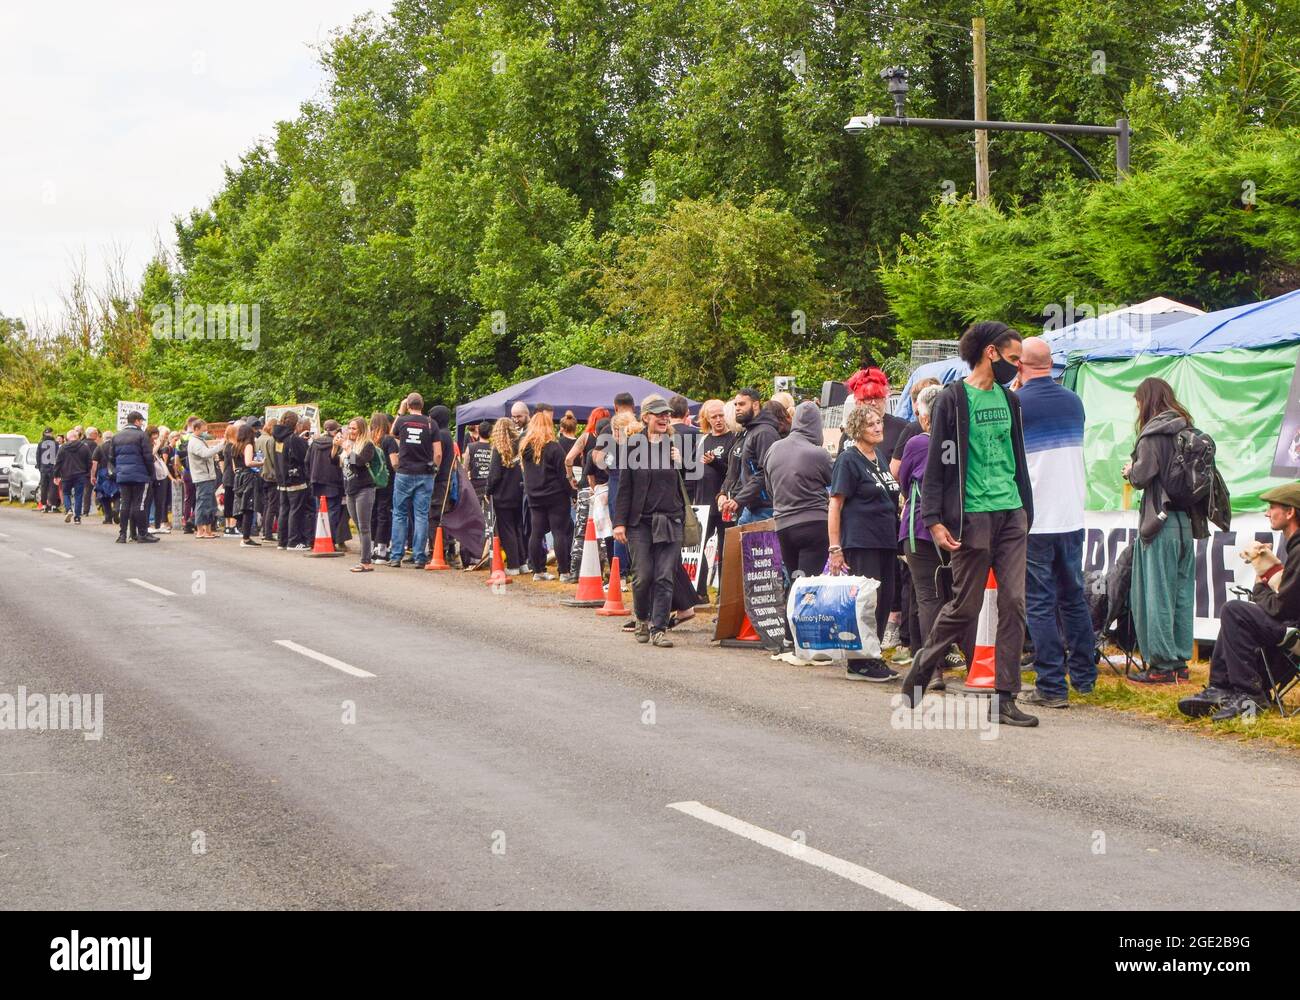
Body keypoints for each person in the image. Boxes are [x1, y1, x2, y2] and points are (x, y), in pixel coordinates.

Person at [899, 320, 1039, 728]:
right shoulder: (952, 400)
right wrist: (934, 518)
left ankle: (1005, 697)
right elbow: (939, 464)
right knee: (965, 606)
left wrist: (1025, 509)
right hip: (972, 515)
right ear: (991, 353)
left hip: (1011, 512)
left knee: (1014, 601)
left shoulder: (1011, 401)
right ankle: (924, 667)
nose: (1019, 367)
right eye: (1014, 359)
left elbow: (1018, 455)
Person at [1016, 336, 1096, 707]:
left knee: (1040, 603)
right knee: (1073, 598)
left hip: (1037, 519)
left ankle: (1051, 683)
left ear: (1020, 365)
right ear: (1051, 364)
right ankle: (1084, 677)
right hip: (1071, 514)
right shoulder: (1074, 401)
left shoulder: (1017, 404)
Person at [1180, 484, 1300, 720]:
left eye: (1272, 507)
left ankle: (1249, 695)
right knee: (1235, 614)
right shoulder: (1294, 547)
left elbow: (1280, 608)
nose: (1267, 513)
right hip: (1291, 626)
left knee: (1235, 611)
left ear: (1290, 513)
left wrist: (1259, 585)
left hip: (1294, 631)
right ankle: (1221, 688)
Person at [1122, 377, 1197, 684]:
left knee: (1156, 594)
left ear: (1147, 401)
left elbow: (1141, 477)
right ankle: (1179, 661)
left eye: (1139, 401)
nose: (1138, 407)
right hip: (1185, 523)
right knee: (1180, 593)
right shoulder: (1187, 428)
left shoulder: (1152, 434)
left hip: (1159, 522)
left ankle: (1161, 666)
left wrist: (1130, 470)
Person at [895, 384, 966, 689]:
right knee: (960, 597)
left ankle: (931, 670)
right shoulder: (963, 441)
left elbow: (901, 480)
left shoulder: (916, 444)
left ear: (925, 419)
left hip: (920, 529)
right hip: (959, 527)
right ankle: (973, 664)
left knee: (929, 598)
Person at [828, 406, 900, 682]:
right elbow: (835, 504)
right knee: (867, 602)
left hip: (885, 540)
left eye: (879, 422)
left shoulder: (879, 456)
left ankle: (873, 654)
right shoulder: (848, 459)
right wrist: (835, 548)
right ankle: (860, 661)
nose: (878, 427)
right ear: (858, 429)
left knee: (884, 599)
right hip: (861, 540)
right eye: (871, 424)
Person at [614, 395, 686, 647]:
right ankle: (642, 619)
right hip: (640, 523)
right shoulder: (633, 446)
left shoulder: (675, 444)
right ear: (646, 417)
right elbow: (624, 488)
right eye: (659, 414)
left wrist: (682, 463)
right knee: (643, 575)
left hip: (671, 519)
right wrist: (619, 523)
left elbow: (690, 481)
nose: (665, 418)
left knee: (665, 576)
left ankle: (659, 629)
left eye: (667, 414)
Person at [765, 400, 831, 585]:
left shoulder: (773, 449)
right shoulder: (818, 453)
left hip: (783, 525)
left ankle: (791, 613)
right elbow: (838, 486)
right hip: (814, 523)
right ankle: (800, 614)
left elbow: (770, 488)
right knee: (809, 586)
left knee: (796, 581)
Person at [519, 411, 575, 581]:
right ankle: (564, 571)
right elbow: (563, 475)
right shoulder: (554, 448)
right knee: (560, 532)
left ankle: (538, 571)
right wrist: (572, 492)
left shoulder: (525, 448)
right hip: (555, 496)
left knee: (536, 533)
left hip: (534, 496)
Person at [388, 393, 441, 569]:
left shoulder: (402, 421)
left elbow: (391, 433)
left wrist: (401, 410)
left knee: (399, 514)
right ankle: (419, 556)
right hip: (425, 473)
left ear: (408, 405)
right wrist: (434, 468)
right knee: (421, 515)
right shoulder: (430, 423)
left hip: (404, 472)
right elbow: (438, 453)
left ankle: (396, 556)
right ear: (422, 405)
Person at [694, 399, 734, 599]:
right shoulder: (702, 440)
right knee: (696, 546)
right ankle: (700, 591)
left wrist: (716, 463)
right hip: (703, 503)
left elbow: (734, 472)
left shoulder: (733, 438)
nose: (718, 420)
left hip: (726, 503)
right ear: (706, 419)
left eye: (721, 415)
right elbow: (694, 471)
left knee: (725, 549)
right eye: (714, 417)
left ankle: (724, 594)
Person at [722, 388, 779, 525]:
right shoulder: (750, 431)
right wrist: (726, 493)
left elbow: (764, 473)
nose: (737, 408)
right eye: (735, 404)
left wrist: (738, 499)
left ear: (755, 405)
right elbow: (745, 472)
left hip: (766, 507)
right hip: (751, 507)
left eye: (742, 404)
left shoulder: (764, 432)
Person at [485, 417, 525, 573]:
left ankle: (513, 565)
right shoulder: (520, 446)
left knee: (507, 530)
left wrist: (488, 491)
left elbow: (494, 475)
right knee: (519, 529)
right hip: (518, 493)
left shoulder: (499, 449)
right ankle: (523, 563)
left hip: (502, 495)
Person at [110, 411, 156, 543]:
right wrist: (150, 473)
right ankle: (142, 534)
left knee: (125, 504)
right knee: (139, 504)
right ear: (136, 421)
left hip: (123, 475)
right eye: (141, 421)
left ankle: (122, 534)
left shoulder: (116, 436)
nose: (142, 423)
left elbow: (111, 458)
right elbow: (148, 457)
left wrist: (119, 470)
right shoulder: (142, 436)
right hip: (140, 475)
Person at [342, 416, 378, 572]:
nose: (351, 431)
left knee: (364, 527)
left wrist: (349, 451)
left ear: (362, 430)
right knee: (358, 525)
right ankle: (366, 556)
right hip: (350, 489)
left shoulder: (368, 445)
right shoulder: (351, 445)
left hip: (365, 489)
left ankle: (366, 562)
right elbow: (338, 464)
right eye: (349, 428)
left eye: (354, 428)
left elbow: (359, 462)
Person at [271, 410, 311, 550]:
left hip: (282, 479)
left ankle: (282, 541)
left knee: (284, 510)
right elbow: (305, 457)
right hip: (296, 480)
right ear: (295, 424)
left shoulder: (276, 439)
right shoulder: (294, 439)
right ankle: (294, 541)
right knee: (296, 510)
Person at [309, 419, 349, 551]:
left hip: (316, 480)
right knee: (332, 512)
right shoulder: (337, 444)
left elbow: (306, 460)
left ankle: (317, 539)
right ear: (336, 431)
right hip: (333, 482)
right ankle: (329, 541)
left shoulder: (315, 443)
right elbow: (343, 462)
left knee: (319, 512)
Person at [187, 420, 224, 539]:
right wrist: (220, 446)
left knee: (210, 504)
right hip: (202, 477)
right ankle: (200, 530)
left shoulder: (199, 440)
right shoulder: (195, 442)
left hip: (206, 476)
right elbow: (206, 454)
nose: (205, 432)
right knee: (203, 504)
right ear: (196, 429)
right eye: (203, 430)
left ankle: (208, 530)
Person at [227, 422, 261, 546]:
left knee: (241, 505)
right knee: (248, 507)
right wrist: (261, 462)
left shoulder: (234, 446)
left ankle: (243, 532)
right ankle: (246, 538)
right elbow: (248, 462)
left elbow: (235, 466)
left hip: (238, 477)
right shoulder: (248, 446)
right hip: (248, 476)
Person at [370, 413, 398, 562]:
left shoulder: (369, 441)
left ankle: (372, 548)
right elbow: (394, 462)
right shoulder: (389, 440)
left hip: (371, 482)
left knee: (373, 514)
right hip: (387, 481)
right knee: (384, 513)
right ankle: (382, 549)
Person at [54, 428, 93, 524]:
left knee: (66, 493)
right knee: (78, 495)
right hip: (80, 474)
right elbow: (89, 462)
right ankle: (77, 517)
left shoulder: (63, 448)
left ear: (67, 438)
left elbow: (58, 462)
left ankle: (68, 509)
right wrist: (87, 472)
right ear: (77, 437)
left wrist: (56, 475)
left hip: (66, 474)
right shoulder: (84, 447)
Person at [88, 428, 119, 526]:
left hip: (103, 474)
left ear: (104, 438)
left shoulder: (99, 448)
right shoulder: (117, 447)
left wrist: (92, 476)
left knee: (103, 496)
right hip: (116, 473)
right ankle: (116, 509)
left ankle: (108, 518)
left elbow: (94, 464)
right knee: (117, 493)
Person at [256, 418, 279, 542]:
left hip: (261, 474)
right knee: (272, 505)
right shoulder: (270, 440)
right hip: (271, 476)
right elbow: (274, 459)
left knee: (266, 504)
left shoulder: (258, 439)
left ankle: (265, 530)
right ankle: (268, 533)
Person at [466, 419, 495, 508]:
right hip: (491, 484)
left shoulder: (471, 447)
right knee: (491, 512)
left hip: (475, 484)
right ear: (491, 432)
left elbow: (465, 467)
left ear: (478, 431)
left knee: (476, 511)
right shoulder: (495, 447)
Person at [220, 423, 240, 537]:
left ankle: (227, 526)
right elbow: (234, 463)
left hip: (226, 476)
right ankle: (233, 526)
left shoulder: (226, 446)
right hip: (233, 476)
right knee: (234, 501)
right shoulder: (233, 446)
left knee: (227, 501)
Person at [36, 427, 58, 512]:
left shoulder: (40, 443)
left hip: (44, 469)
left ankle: (44, 505)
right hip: (53, 468)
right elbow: (58, 456)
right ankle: (53, 505)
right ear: (52, 433)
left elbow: (38, 456)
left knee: (44, 487)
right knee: (53, 487)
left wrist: (40, 467)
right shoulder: (55, 443)